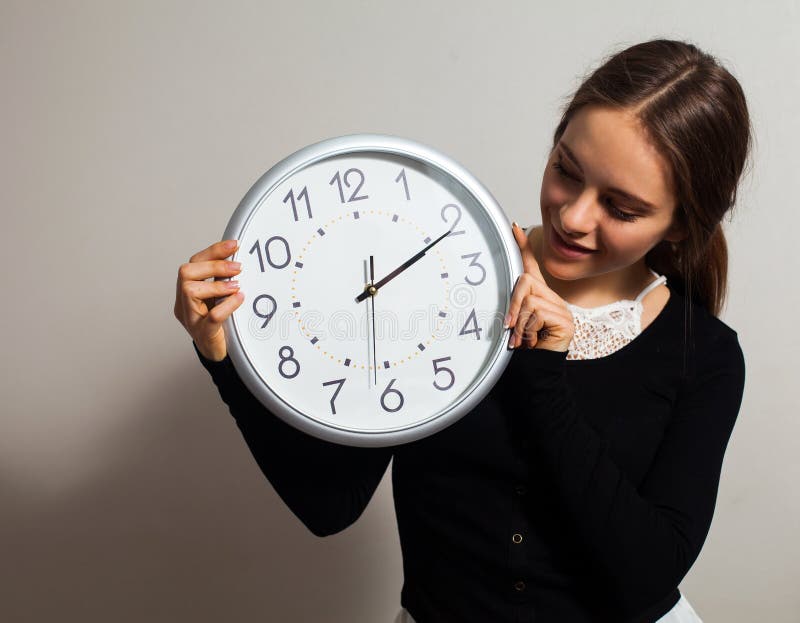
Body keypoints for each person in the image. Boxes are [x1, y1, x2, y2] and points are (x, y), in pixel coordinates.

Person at [174, 39, 751, 623]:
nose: (573, 216)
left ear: (680, 223)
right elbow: (330, 506)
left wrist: (542, 372)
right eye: (565, 171)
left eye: (621, 209)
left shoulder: (705, 355)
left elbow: (647, 574)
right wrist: (223, 356)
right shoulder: (440, 282)